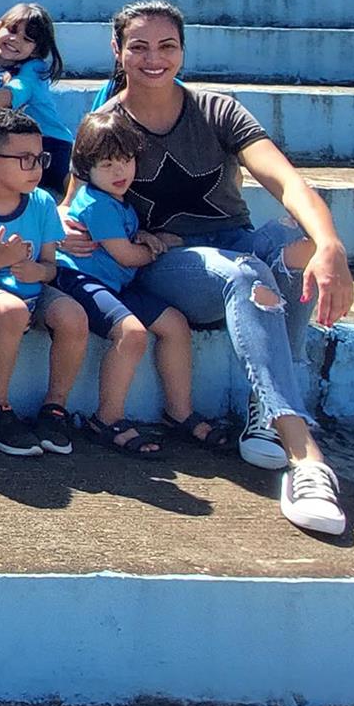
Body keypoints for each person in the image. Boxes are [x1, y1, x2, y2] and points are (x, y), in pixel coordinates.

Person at [64, 0, 354, 536]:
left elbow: (287, 183)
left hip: (236, 242)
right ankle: (305, 456)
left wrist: (331, 244)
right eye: (139, 46)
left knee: (299, 247)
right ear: (117, 51)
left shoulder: (216, 110)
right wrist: (66, 228)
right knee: (245, 275)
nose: (154, 58)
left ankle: (265, 412)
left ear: (183, 49)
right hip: (168, 261)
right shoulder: (104, 120)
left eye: (167, 46)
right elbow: (71, 205)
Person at [56, 106, 217, 460]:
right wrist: (158, 246)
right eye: (107, 164)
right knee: (132, 333)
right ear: (85, 168)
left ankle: (179, 411)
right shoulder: (97, 203)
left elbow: (124, 240)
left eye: (125, 161)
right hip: (80, 281)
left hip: (116, 286)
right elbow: (127, 256)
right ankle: (107, 418)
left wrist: (142, 235)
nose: (119, 171)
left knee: (174, 324)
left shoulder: (118, 202)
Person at [0, 107, 93, 458]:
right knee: (10, 311)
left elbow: (50, 267)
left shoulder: (41, 203)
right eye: (25, 159)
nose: (38, 168)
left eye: (40, 158)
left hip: (32, 288)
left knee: (73, 316)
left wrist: (39, 273)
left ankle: (54, 409)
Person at [0, 4, 78, 199]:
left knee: (65, 185)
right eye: (12, 30)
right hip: (19, 142)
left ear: (37, 50)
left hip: (51, 142)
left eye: (27, 39)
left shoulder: (34, 68)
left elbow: (13, 95)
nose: (15, 40)